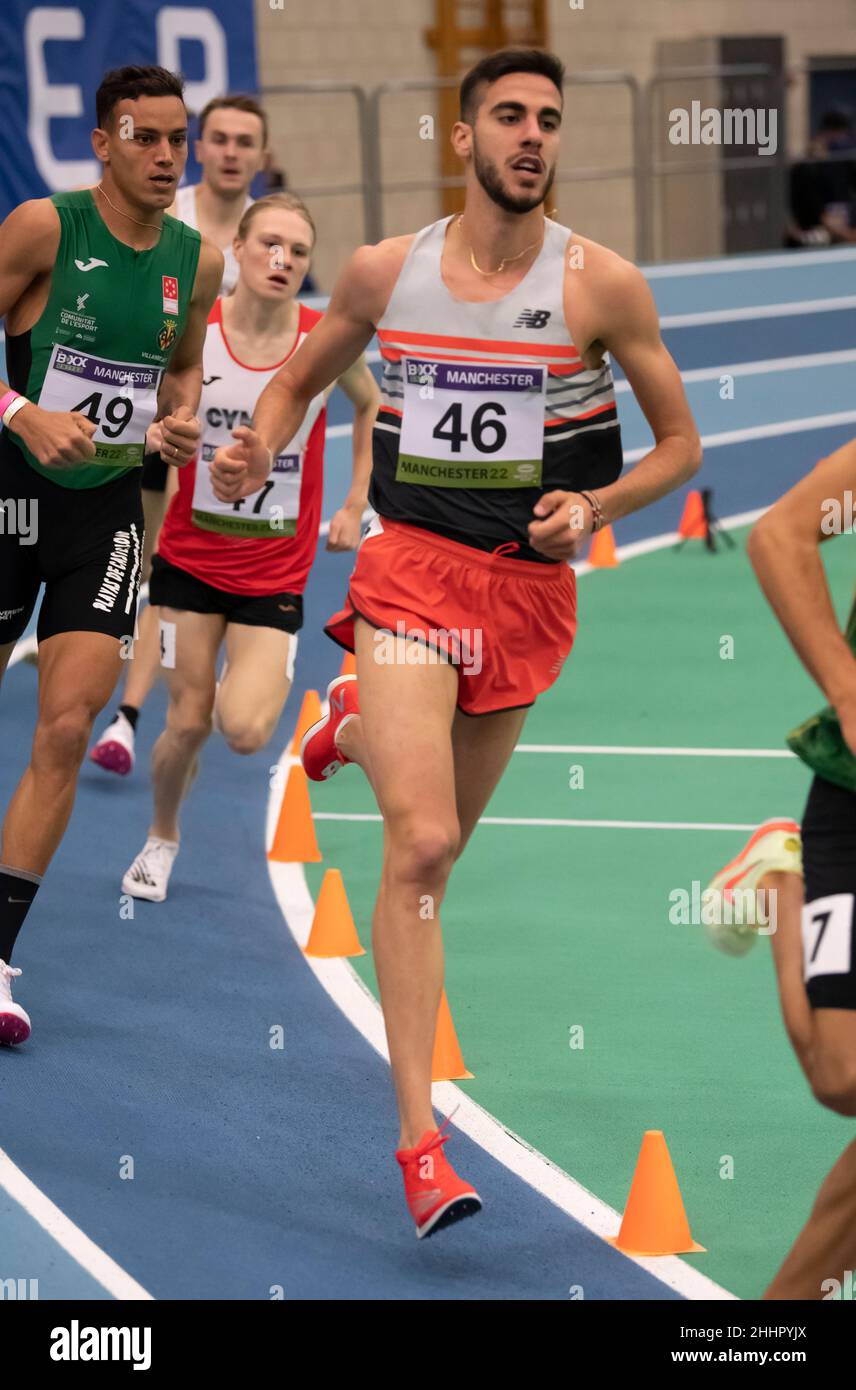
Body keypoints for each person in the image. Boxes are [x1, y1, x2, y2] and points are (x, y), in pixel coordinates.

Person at [210, 46, 702, 1238]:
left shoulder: (603, 287)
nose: (531, 136)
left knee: (442, 860)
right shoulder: (388, 273)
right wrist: (258, 446)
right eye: (509, 117)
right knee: (418, 847)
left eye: (548, 120)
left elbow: (682, 447)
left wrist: (594, 508)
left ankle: (351, 723)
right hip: (410, 573)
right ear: (463, 138)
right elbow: (299, 384)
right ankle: (420, 1144)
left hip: (526, 599)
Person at [0, 64, 223, 1045]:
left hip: (105, 520)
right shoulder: (44, 228)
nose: (167, 155)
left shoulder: (194, 259)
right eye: (146, 137)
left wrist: (177, 425)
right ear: (103, 142)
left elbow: (180, 375)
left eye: (180, 138)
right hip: (7, 499)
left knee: (63, 727)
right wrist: (22, 412)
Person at [118, 193, 377, 901]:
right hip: (187, 568)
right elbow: (149, 415)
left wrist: (356, 501)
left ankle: (313, 699)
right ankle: (161, 838)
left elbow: (374, 404)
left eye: (297, 251)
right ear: (237, 247)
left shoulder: (323, 340)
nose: (282, 260)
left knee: (242, 729)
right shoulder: (194, 334)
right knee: (186, 722)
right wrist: (168, 437)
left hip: (274, 577)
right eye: (269, 244)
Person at [705, 436, 856, 1300]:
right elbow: (782, 534)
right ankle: (783, 880)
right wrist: (847, 688)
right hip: (854, 787)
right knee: (840, 1076)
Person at [786, 109, 856, 248]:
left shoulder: (846, 164)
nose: (841, 139)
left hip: (845, 237)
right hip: (817, 238)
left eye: (844, 134)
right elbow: (819, 218)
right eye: (836, 133)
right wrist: (848, 236)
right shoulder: (806, 170)